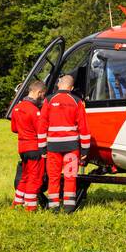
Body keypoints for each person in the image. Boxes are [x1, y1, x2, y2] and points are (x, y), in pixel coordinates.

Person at [42, 74, 91, 214]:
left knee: (54, 176)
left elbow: (42, 125)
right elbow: (84, 127)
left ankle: (53, 207)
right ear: (72, 87)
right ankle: (69, 208)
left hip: (53, 147)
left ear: (58, 84)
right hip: (72, 147)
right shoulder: (77, 101)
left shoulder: (49, 100)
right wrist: (85, 151)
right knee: (70, 176)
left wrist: (42, 147)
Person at [10, 81, 48, 211]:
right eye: (43, 95)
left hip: (22, 148)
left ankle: (17, 202)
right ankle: (31, 207)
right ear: (39, 92)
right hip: (34, 148)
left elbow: (14, 128)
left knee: (25, 176)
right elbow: (41, 131)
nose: (43, 98)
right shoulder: (34, 111)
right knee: (35, 178)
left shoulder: (17, 108)